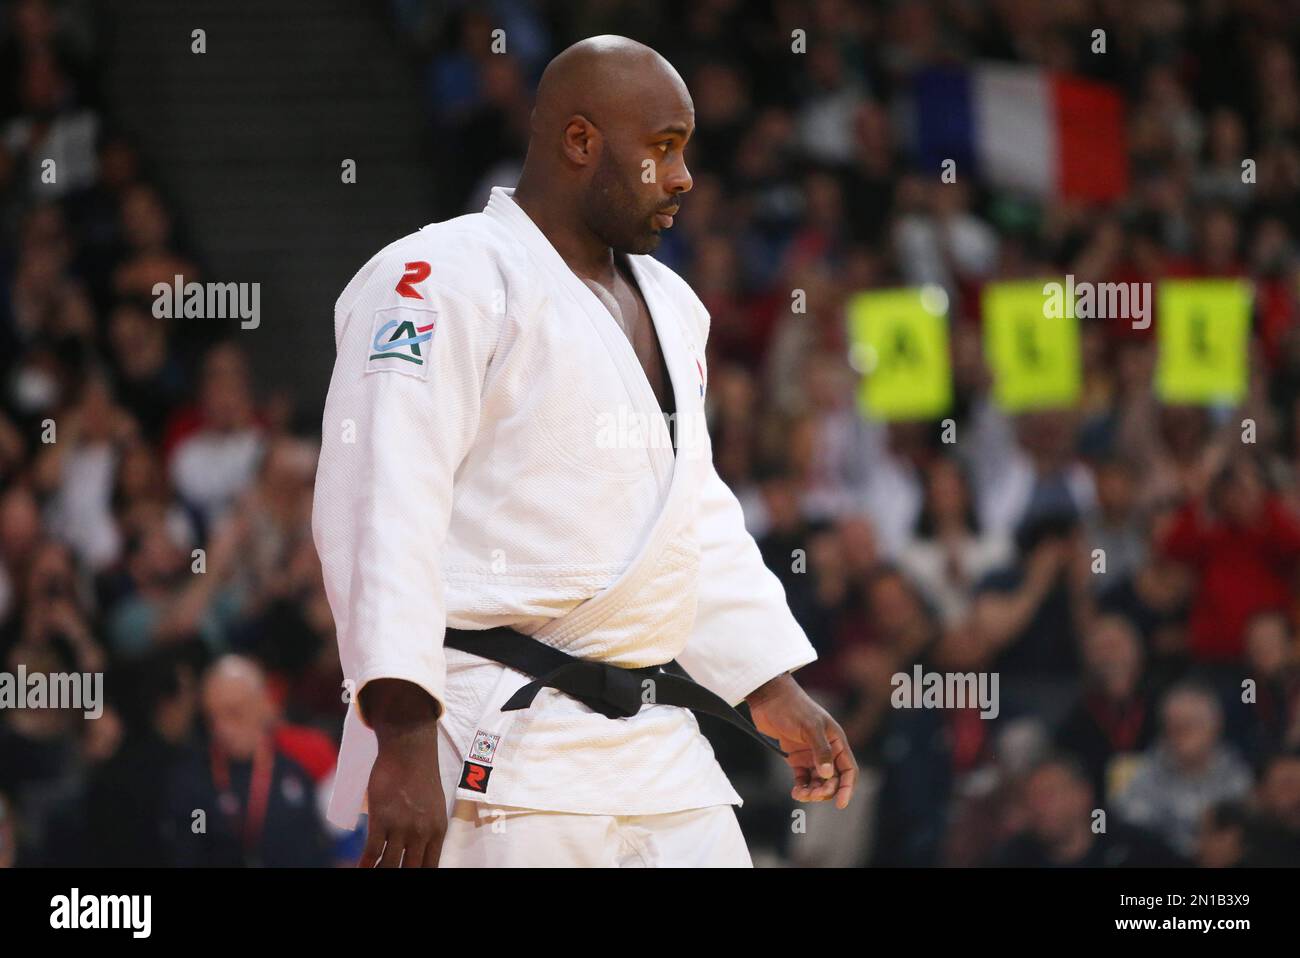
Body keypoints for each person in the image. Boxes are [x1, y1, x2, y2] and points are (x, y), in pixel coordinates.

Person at [311, 35, 855, 868]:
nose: (683, 178)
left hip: (659, 750)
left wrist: (770, 685)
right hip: (496, 740)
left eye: (687, 150)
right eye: (663, 148)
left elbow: (690, 517)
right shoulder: (438, 276)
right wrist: (403, 733)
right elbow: (384, 503)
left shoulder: (673, 305)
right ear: (580, 141)